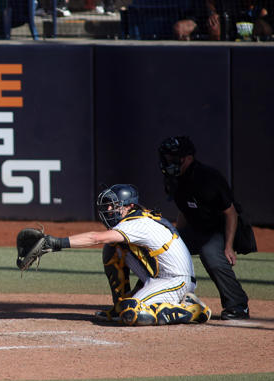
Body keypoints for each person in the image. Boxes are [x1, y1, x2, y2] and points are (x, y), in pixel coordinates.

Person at [18, 184, 211, 326]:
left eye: (113, 205)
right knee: (114, 248)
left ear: (128, 206)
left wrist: (55, 243)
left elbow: (95, 237)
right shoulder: (135, 219)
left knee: (133, 313)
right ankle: (120, 304)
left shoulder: (138, 223)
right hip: (158, 277)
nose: (109, 210)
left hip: (176, 281)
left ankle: (191, 309)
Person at [158, 136, 250, 320]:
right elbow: (185, 210)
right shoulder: (176, 179)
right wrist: (175, 237)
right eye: (167, 157)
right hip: (196, 226)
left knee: (211, 254)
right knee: (163, 248)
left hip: (221, 228)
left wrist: (228, 246)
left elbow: (230, 212)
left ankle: (238, 305)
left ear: (188, 158)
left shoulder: (208, 178)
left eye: (173, 157)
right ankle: (151, 297)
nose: (169, 162)